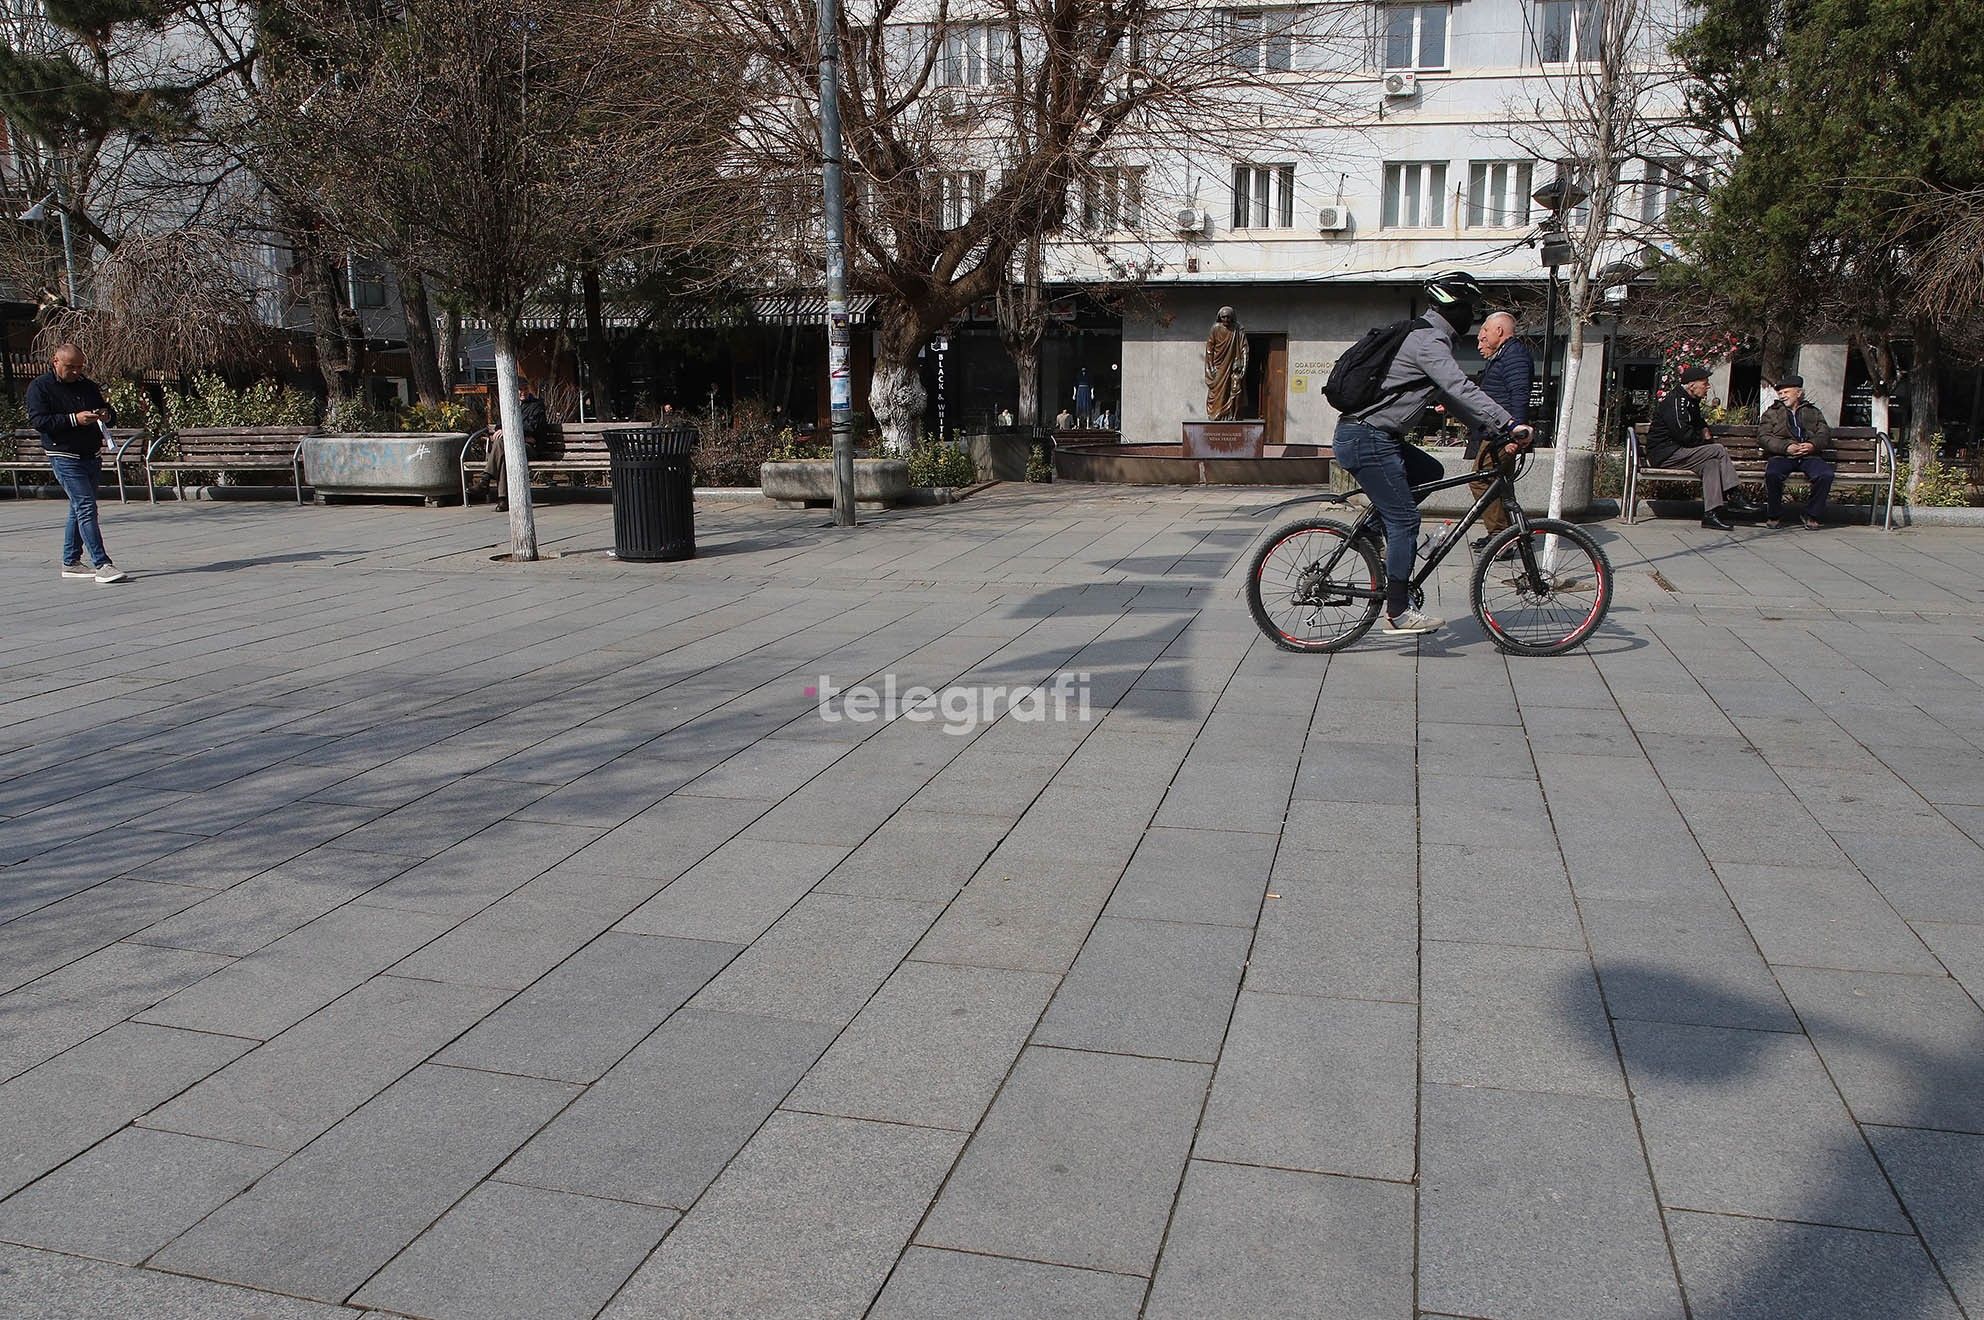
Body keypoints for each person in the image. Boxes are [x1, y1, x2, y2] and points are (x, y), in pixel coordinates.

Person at [1333, 272, 1534, 637]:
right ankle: (1397, 611)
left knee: (1428, 470)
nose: (1472, 319)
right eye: (1470, 309)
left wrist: (1488, 429)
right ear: (1454, 307)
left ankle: (1373, 533)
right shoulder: (1429, 341)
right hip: (1367, 437)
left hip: (1372, 436)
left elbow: (1450, 398)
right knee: (1406, 521)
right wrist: (1508, 424)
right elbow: (1460, 386)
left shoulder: (1426, 337)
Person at [25, 344, 127, 584]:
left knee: (78, 507)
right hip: (64, 455)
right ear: (55, 362)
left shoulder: (87, 385)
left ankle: (71, 561)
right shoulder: (40, 387)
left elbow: (109, 412)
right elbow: (39, 421)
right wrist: (74, 419)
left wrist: (105, 414)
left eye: (79, 367)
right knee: (86, 507)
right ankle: (102, 563)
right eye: (70, 367)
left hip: (90, 454)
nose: (75, 372)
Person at [1644, 365, 1751, 531]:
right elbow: (1683, 434)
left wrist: (1703, 429)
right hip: (1666, 453)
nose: (1708, 387)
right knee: (1718, 450)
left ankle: (1711, 514)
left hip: (1680, 453)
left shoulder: (1690, 401)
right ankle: (1734, 494)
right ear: (1692, 384)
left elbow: (1697, 421)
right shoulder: (1676, 402)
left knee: (1712, 464)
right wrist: (1705, 443)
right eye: (1705, 383)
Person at [1466, 311, 1534, 552]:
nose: (1481, 338)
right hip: (1498, 432)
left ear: (1499, 331)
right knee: (1502, 484)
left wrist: (1516, 435)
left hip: (1502, 434)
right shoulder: (1504, 355)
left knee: (1482, 480)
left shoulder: (1513, 356)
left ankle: (1500, 537)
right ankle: (1514, 532)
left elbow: (1519, 395)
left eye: (1484, 333)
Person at [1759, 374, 1835, 529]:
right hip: (1782, 455)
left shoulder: (1813, 412)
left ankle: (1811, 514)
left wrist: (1812, 445)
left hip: (1809, 455)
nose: (1782, 396)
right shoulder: (1772, 413)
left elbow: (1824, 433)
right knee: (1772, 474)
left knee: (1825, 475)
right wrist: (1785, 448)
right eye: (1780, 393)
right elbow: (1763, 437)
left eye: (1786, 392)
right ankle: (1774, 514)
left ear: (1799, 393)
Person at [486, 378, 551, 509]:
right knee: (504, 456)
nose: (523, 392)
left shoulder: (536, 405)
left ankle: (486, 478)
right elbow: (499, 425)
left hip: (529, 448)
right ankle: (503, 499)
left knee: (502, 444)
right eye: (519, 389)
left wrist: (509, 431)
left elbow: (533, 428)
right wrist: (501, 430)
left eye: (525, 388)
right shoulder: (509, 406)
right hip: (512, 447)